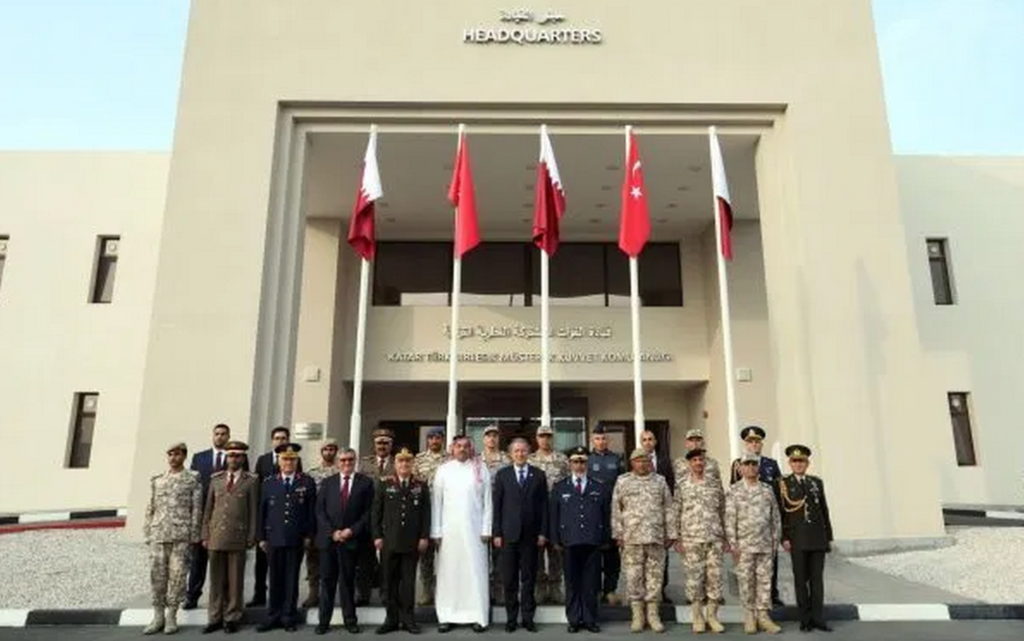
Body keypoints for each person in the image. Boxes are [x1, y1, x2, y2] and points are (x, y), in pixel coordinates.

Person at [431, 435, 493, 633]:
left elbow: (487, 502)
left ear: (471, 448)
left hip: (475, 533)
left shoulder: (480, 469)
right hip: (449, 533)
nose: (462, 449)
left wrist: (486, 529)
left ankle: (477, 615)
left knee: (475, 572)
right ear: (452, 448)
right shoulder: (443, 470)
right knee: (449, 573)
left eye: (466, 446)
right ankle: (447, 615)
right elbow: (436, 503)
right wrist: (436, 531)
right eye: (458, 446)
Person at [612, 448, 676, 633]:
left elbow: (669, 508)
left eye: (645, 460)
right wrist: (618, 533)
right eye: (638, 461)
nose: (642, 464)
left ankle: (653, 614)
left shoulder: (660, 481)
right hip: (631, 538)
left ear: (650, 462)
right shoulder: (623, 481)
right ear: (632, 463)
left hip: (656, 537)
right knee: (633, 577)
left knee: (655, 578)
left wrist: (671, 533)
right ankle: (638, 614)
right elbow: (616, 508)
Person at [143, 442, 203, 635]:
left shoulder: (192, 479)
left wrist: (194, 535)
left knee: (177, 577)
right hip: (159, 535)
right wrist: (148, 533)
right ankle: (158, 616)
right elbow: (150, 508)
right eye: (170, 454)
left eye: (177, 454)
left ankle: (171, 616)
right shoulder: (157, 480)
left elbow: (196, 510)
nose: (173, 458)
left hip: (181, 537)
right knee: (157, 578)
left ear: (184, 456)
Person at [256, 443, 317, 633]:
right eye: (285, 459)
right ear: (279, 461)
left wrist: (309, 535)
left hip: (295, 538)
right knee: (274, 578)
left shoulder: (306, 482)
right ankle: (273, 615)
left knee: (291, 578)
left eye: (292, 459)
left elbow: (311, 512)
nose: (288, 462)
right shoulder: (269, 483)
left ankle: (288, 616)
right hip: (273, 538)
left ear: (297, 461)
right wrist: (261, 537)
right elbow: (262, 512)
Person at [550, 446, 611, 633]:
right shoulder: (560, 487)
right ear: (570, 464)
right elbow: (554, 515)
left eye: (583, 461)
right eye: (575, 461)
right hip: (570, 541)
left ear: (588, 463)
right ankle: (574, 619)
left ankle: (591, 619)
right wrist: (555, 539)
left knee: (591, 583)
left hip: (592, 541)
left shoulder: (599, 487)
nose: (579, 465)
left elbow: (606, 514)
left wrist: (606, 538)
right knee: (572, 582)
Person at [201, 440, 258, 634]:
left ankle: (232, 617)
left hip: (238, 535)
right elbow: (208, 509)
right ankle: (215, 617)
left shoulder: (251, 480)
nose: (234, 458)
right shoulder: (216, 479)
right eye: (231, 455)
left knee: (235, 580)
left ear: (243, 458)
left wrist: (252, 536)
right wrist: (205, 533)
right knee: (216, 580)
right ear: (226, 457)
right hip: (216, 535)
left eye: (238, 455)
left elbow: (253, 511)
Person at [315, 447, 375, 635]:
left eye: (350, 460)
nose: (347, 464)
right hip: (329, 541)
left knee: (347, 582)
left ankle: (350, 620)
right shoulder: (327, 483)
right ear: (337, 462)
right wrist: (332, 532)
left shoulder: (365, 483)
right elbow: (320, 511)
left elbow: (368, 513)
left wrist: (352, 530)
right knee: (327, 581)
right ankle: (324, 621)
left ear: (355, 461)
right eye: (343, 460)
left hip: (352, 540)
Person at [492, 437, 548, 632]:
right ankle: (511, 618)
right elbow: (497, 506)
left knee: (529, 578)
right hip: (508, 536)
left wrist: (542, 532)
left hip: (531, 536)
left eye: (523, 450)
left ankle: (527, 618)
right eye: (516, 451)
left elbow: (544, 507)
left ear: (528, 452)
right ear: (510, 454)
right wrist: (496, 533)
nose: (520, 454)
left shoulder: (538, 475)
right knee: (509, 579)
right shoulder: (503, 475)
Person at [372, 448, 431, 634]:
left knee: (408, 583)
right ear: (395, 464)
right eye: (400, 462)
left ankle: (408, 619)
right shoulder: (384, 484)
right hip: (389, 541)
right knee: (388, 582)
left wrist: (424, 536)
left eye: (407, 462)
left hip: (411, 542)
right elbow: (376, 513)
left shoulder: (420, 485)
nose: (404, 465)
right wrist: (377, 536)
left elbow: (426, 514)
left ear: (412, 464)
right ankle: (391, 619)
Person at [186, 423, 244, 610]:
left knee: (224, 565)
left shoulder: (237, 458)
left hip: (227, 520)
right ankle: (192, 596)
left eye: (224, 434)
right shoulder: (199, 458)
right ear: (213, 436)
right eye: (217, 434)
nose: (220, 437)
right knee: (198, 560)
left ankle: (225, 602)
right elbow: (193, 487)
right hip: (205, 515)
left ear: (228, 436)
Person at [725, 453, 782, 634]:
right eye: (746, 464)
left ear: (758, 468)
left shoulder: (767, 489)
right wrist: (733, 545)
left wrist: (775, 542)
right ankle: (749, 616)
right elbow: (729, 519)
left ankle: (763, 616)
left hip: (765, 545)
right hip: (744, 546)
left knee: (765, 582)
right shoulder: (734, 490)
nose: (750, 467)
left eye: (753, 464)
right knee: (746, 581)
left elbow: (775, 518)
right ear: (740, 468)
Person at [671, 448, 726, 634]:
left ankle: (712, 616)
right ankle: (697, 617)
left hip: (714, 538)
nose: (698, 463)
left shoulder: (715, 484)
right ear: (689, 464)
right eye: (694, 460)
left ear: (705, 462)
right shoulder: (681, 485)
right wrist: (677, 537)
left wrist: (726, 536)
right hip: (691, 538)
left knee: (715, 578)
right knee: (694, 579)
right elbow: (676, 511)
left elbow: (723, 510)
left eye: (700, 460)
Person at [779, 445, 833, 632]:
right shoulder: (783, 483)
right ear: (790, 463)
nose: (798, 464)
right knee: (800, 580)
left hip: (817, 537)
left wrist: (828, 537)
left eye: (801, 461)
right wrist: (784, 537)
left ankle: (818, 618)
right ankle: (805, 618)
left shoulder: (816, 482)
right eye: (795, 461)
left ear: (807, 463)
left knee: (817, 581)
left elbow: (824, 510)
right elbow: (781, 513)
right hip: (797, 538)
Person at [729, 426, 784, 607]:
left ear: (761, 444)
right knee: (746, 568)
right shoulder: (738, 463)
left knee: (768, 565)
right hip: (745, 526)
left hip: (765, 523)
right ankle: (750, 603)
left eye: (757, 441)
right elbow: (733, 489)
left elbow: (777, 493)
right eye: (750, 441)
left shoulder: (771, 464)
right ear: (746, 444)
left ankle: (771, 595)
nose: (754, 444)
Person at [249, 426, 303, 607]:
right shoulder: (263, 460)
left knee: (287, 572)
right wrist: (260, 532)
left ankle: (287, 609)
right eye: (277, 438)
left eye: (283, 438)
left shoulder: (295, 460)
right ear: (272, 441)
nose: (280, 441)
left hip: (288, 527)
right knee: (262, 564)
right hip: (270, 524)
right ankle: (259, 595)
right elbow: (259, 493)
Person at [528, 425, 568, 604]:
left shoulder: (562, 459)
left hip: (557, 511)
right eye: (542, 436)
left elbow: (568, 483)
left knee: (556, 551)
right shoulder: (529, 460)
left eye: (548, 436)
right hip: (536, 512)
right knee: (536, 551)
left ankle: (555, 586)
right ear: (536, 439)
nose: (545, 440)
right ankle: (540, 587)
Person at [357, 428, 395, 604]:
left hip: (389, 516)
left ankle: (386, 595)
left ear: (391, 445)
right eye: (379, 442)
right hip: (367, 515)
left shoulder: (397, 463)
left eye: (386, 443)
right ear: (374, 444)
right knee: (365, 559)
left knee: (388, 559)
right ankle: (363, 595)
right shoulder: (364, 464)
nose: (382, 446)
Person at [587, 426, 624, 606]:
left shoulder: (616, 459)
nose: (600, 442)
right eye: (597, 439)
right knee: (593, 555)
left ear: (607, 440)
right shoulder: (586, 460)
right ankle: (595, 590)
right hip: (593, 514)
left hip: (611, 513)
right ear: (592, 440)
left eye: (603, 438)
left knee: (612, 556)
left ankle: (610, 590)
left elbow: (622, 485)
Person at [304, 438, 341, 609]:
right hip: (317, 524)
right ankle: (313, 594)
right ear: (321, 451)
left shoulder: (341, 471)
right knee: (313, 562)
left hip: (336, 524)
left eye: (332, 449)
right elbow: (308, 501)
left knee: (335, 561)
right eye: (326, 449)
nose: (329, 452)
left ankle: (332, 595)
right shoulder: (312, 473)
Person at [639, 429, 674, 604]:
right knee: (641, 559)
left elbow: (671, 488)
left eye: (650, 439)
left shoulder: (665, 462)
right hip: (640, 519)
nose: (647, 442)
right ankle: (643, 591)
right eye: (644, 439)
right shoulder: (635, 461)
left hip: (659, 517)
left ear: (655, 442)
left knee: (661, 557)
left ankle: (661, 589)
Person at [413, 426, 447, 605]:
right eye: (431, 437)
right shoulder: (418, 460)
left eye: (438, 437)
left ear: (442, 439)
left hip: (447, 512)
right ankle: (427, 590)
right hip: (426, 511)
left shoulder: (450, 459)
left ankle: (446, 590)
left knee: (447, 554)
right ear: (427, 440)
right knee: (425, 554)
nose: (435, 440)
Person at [481, 424, 511, 604]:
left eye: (495, 436)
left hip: (501, 511)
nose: (492, 439)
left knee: (500, 555)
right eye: (488, 436)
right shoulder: (476, 460)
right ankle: (483, 591)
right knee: (482, 554)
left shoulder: (507, 459)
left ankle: (499, 591)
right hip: (482, 512)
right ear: (483, 439)